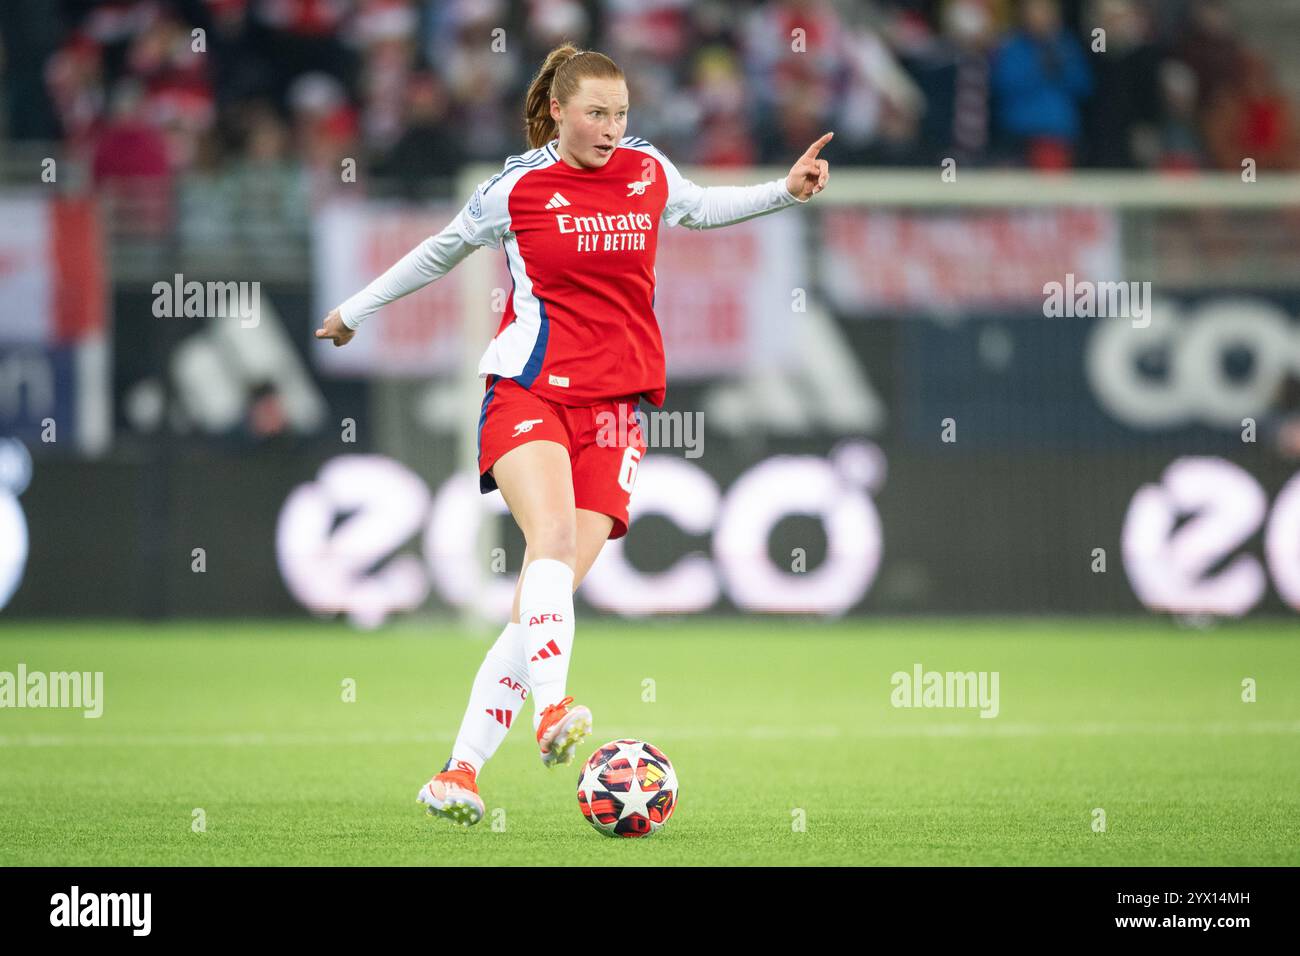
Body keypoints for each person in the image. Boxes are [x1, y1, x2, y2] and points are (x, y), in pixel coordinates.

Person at [315, 43, 831, 827]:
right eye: (596, 113)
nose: (611, 129)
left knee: (540, 603)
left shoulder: (647, 170)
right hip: (529, 392)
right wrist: (355, 310)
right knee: (549, 542)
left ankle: (457, 773)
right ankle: (553, 714)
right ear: (557, 111)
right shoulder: (516, 188)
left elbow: (698, 208)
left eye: (622, 114)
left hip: (616, 409)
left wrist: (785, 192)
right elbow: (440, 249)